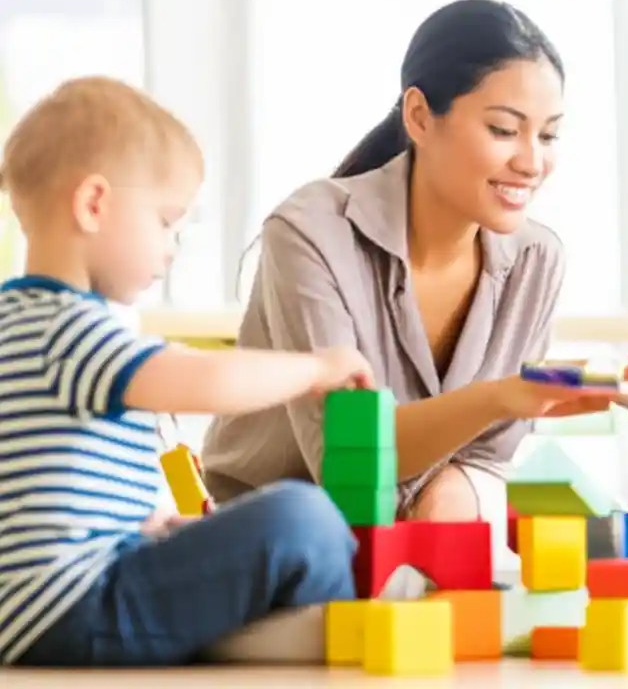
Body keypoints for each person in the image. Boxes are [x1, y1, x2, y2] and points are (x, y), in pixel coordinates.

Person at [199, 0, 628, 556]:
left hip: (427, 530)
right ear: (420, 117)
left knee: (490, 523)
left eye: (548, 136)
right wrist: (504, 396)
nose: (531, 162)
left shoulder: (535, 259)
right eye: (504, 129)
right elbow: (343, 461)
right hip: (282, 536)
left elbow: (485, 459)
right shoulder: (311, 232)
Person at [0, 76, 377, 666]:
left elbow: (40, 488)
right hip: (74, 611)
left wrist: (146, 528)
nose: (171, 247)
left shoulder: (18, 321)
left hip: (35, 611)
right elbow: (208, 382)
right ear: (94, 204)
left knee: (213, 534)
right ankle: (327, 653)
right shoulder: (73, 330)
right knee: (303, 518)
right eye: (166, 221)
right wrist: (315, 367)